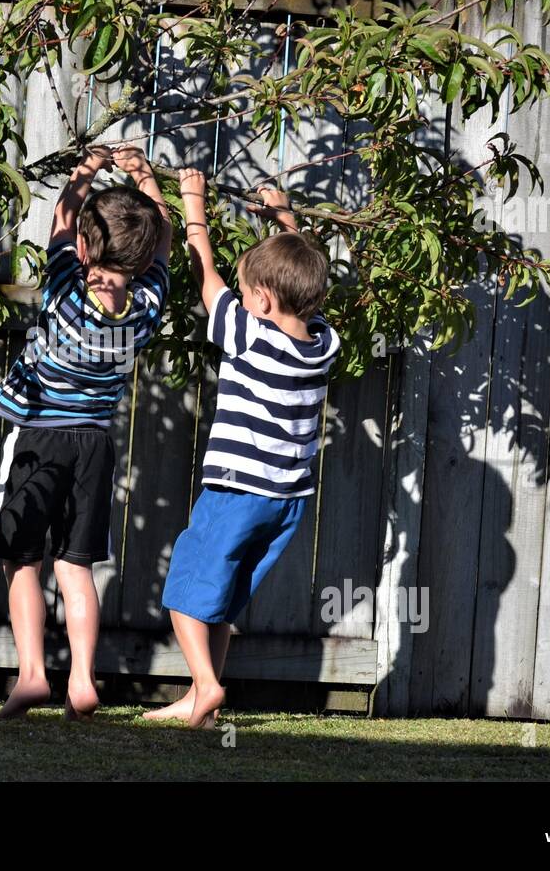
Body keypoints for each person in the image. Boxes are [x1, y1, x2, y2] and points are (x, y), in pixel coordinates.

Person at [0, 145, 173, 720]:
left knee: (22, 560)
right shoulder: (144, 307)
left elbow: (63, 218)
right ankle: (84, 681)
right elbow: (161, 239)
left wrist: (85, 172)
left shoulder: (65, 291)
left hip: (40, 437)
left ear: (86, 251)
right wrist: (145, 176)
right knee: (76, 566)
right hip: (95, 443)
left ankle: (35, 675)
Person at [146, 168, 340, 728]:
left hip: (237, 490)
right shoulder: (322, 344)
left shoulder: (251, 336)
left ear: (258, 299)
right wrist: (284, 219)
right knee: (225, 597)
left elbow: (206, 277)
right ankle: (199, 702)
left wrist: (194, 205)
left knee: (186, 589)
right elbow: (304, 280)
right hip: (288, 499)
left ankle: (205, 687)